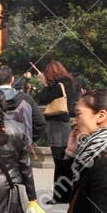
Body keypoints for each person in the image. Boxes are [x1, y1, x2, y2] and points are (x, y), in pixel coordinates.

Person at [36, 60, 78, 197]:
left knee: (59, 158)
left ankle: (61, 194)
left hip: (57, 124)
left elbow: (43, 98)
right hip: (64, 122)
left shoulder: (58, 85)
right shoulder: (68, 82)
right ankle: (63, 192)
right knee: (64, 158)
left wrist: (44, 84)